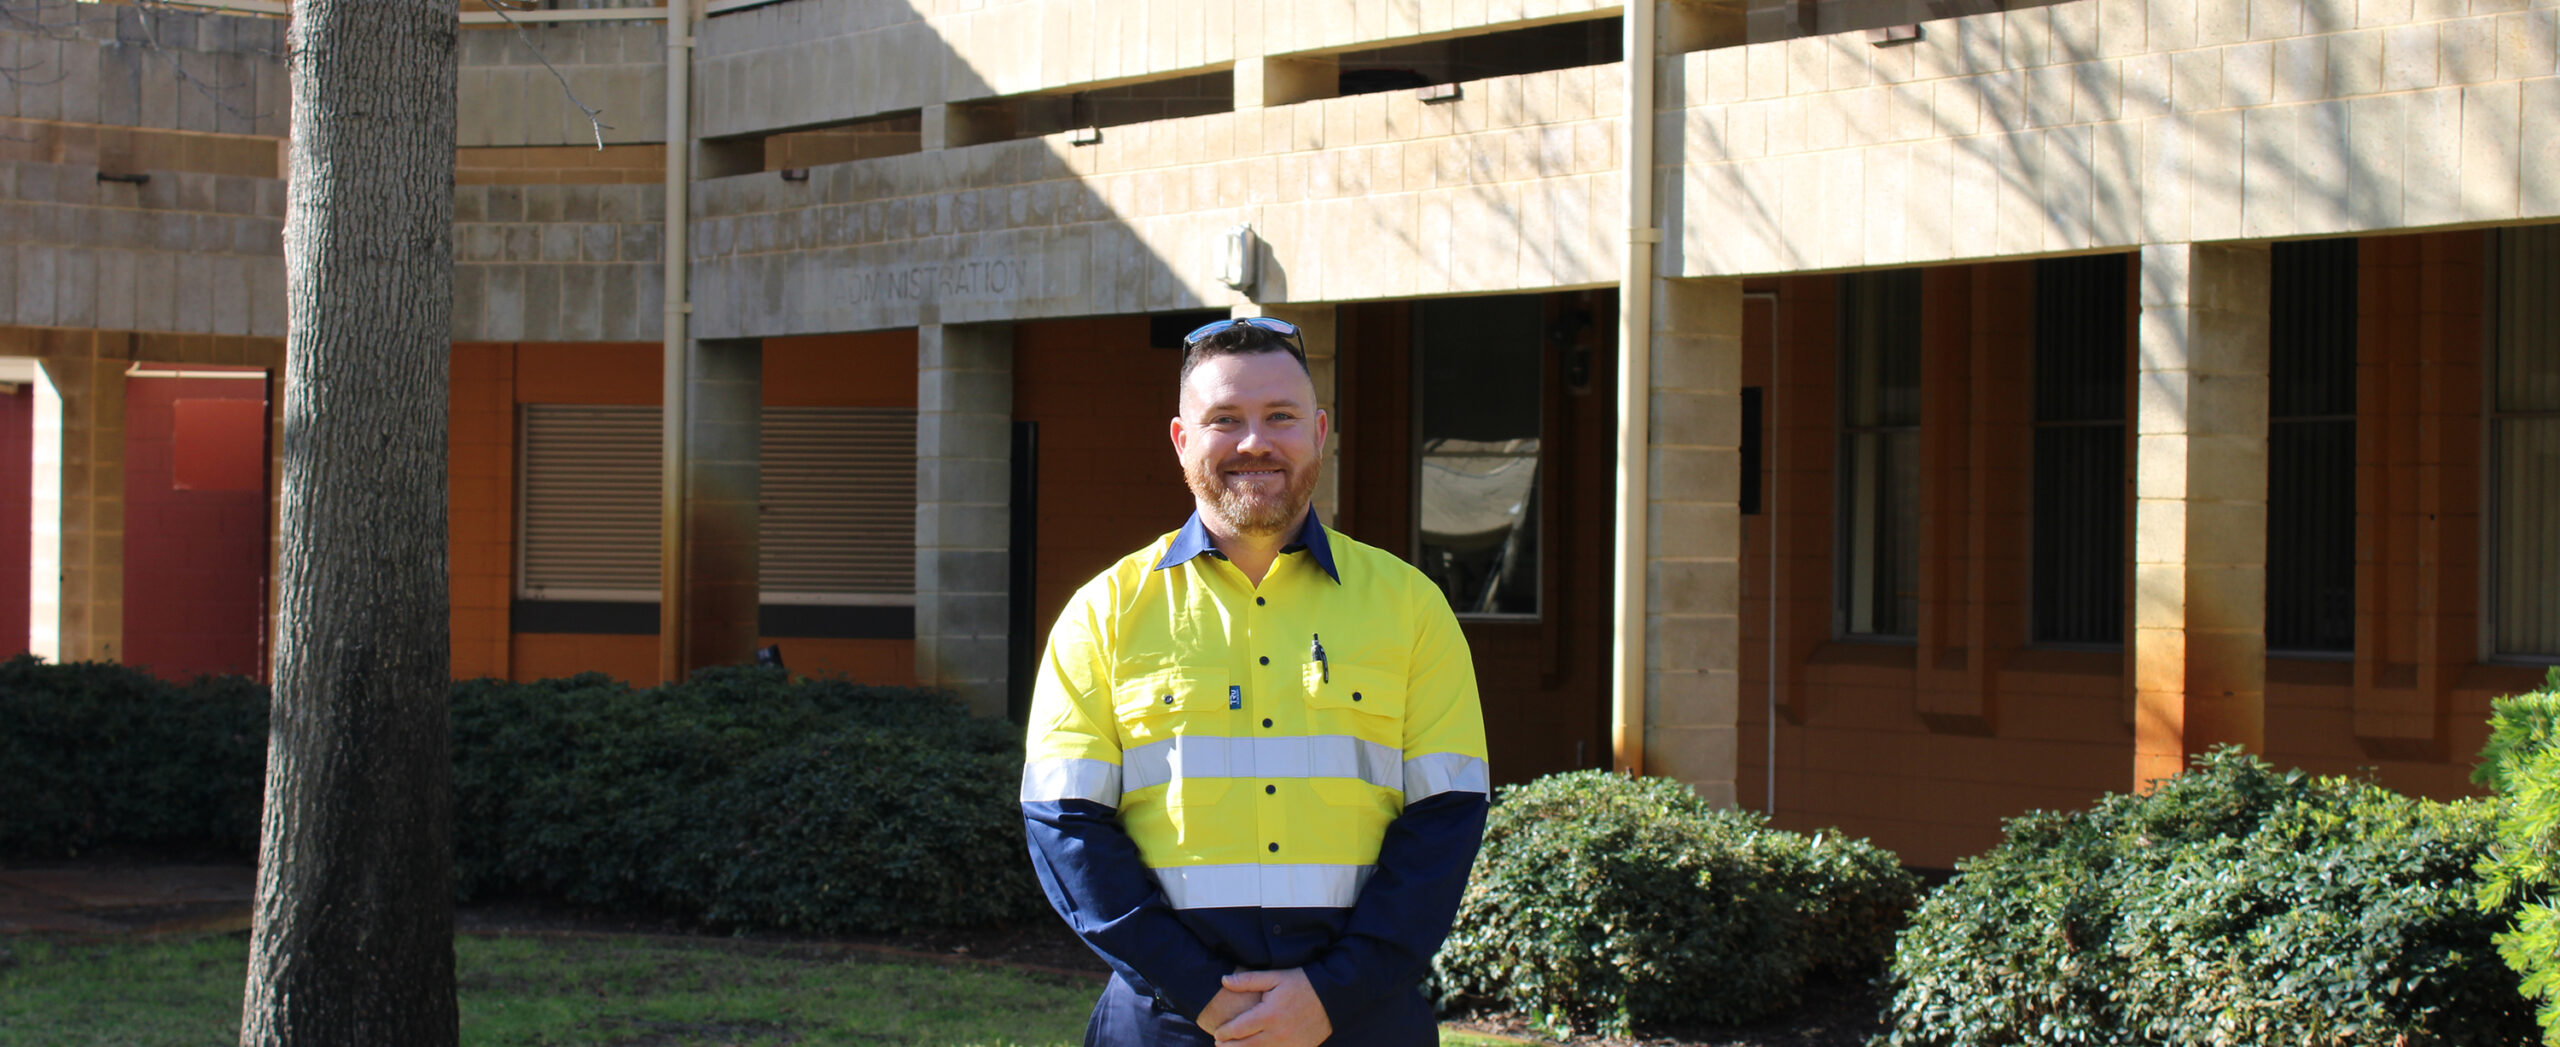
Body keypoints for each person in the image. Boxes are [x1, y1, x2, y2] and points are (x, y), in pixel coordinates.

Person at [1020, 316, 1491, 1047]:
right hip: (1166, 1019)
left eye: (1280, 417)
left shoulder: (1411, 607)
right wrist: (1202, 993)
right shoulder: (1102, 614)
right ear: (1181, 439)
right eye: (1224, 420)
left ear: (1320, 431)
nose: (1254, 442)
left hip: (1360, 1019)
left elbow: (1447, 817)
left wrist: (1332, 993)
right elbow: (1064, 822)